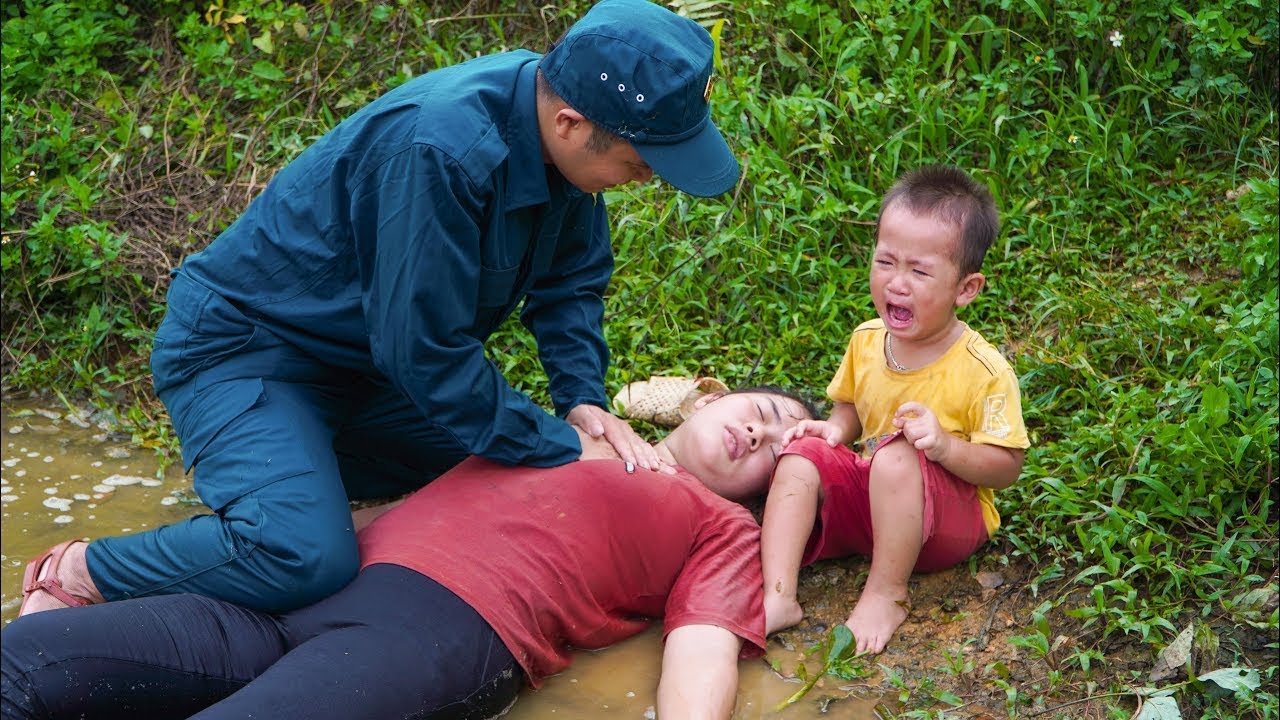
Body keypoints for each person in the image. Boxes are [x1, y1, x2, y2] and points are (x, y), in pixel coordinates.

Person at [18, 0, 742, 617]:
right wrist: (557, 440)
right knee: (304, 558)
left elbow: (570, 286)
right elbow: (423, 354)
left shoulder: (565, 151)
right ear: (571, 125)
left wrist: (581, 404)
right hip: (248, 354)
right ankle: (83, 569)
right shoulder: (445, 149)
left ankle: (297, 483)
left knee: (532, 476)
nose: (647, 179)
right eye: (642, 162)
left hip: (365, 371)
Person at [2, 387, 816, 720]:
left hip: (442, 628)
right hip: (298, 591)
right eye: (768, 410)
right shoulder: (548, 425)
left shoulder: (720, 524)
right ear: (711, 398)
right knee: (23, 661)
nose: (764, 433)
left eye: (777, 448)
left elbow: (703, 640)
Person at [759, 165, 1029, 655]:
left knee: (899, 454)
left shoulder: (983, 368)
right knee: (803, 453)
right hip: (875, 503)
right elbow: (849, 407)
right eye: (885, 262)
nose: (896, 284)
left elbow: (1007, 467)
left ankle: (887, 592)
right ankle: (778, 594)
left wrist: (944, 446)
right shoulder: (866, 340)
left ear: (965, 289)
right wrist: (834, 431)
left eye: (920, 271)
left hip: (945, 524)